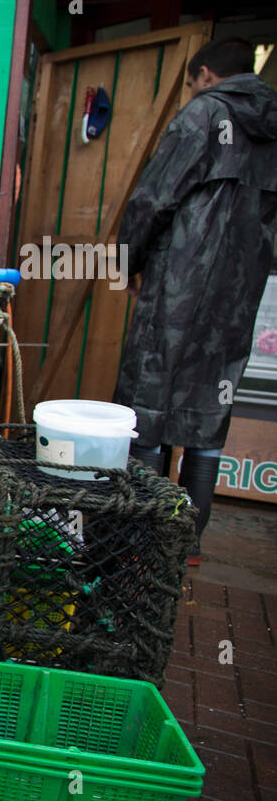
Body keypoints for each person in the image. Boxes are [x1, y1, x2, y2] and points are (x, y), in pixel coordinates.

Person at [114, 37, 277, 564]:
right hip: (240, 289)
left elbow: (153, 198)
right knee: (211, 409)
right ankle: (186, 544)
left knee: (149, 404)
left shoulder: (205, 113)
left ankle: (140, 536)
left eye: (190, 81)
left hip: (179, 282)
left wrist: (125, 262)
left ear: (205, 74)